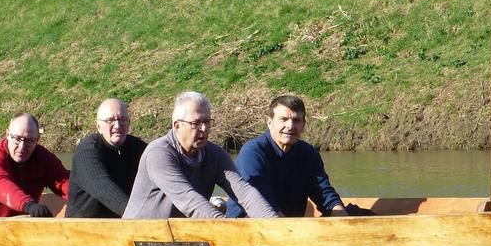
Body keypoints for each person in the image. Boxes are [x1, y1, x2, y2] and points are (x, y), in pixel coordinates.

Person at [123, 91, 278, 219]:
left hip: (180, 238)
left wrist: (274, 224)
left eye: (207, 121)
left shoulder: (215, 154)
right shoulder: (159, 153)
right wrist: (228, 228)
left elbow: (244, 192)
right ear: (177, 126)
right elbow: (189, 200)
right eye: (196, 123)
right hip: (139, 239)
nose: (204, 128)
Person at [225, 95, 356, 217]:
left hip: (290, 227)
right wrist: (289, 230)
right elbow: (262, 202)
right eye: (283, 119)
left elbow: (324, 194)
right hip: (250, 225)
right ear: (269, 123)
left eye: (296, 120)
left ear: (303, 125)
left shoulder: (308, 154)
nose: (290, 126)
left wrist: (342, 219)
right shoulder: (253, 152)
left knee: (356, 213)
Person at [0, 113, 70, 217]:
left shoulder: (43, 158)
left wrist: (82, 197)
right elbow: (1, 184)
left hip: (19, 228)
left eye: (29, 141)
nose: (22, 147)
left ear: (37, 140)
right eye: (17, 139)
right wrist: (28, 205)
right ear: (7, 135)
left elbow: (64, 181)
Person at [65, 98, 148, 218]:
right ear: (98, 126)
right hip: (82, 231)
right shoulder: (87, 150)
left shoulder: (138, 148)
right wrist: (139, 217)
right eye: (110, 120)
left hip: (122, 228)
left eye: (123, 120)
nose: (117, 125)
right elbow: (104, 188)